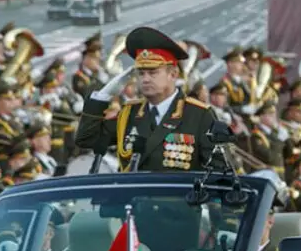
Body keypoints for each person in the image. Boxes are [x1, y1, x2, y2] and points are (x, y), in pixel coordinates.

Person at [74, 26, 217, 173]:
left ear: (173, 74)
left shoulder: (199, 115)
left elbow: (218, 173)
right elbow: (86, 139)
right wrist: (103, 95)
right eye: (141, 73)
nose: (145, 79)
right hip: (134, 194)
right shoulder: (129, 114)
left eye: (153, 72)